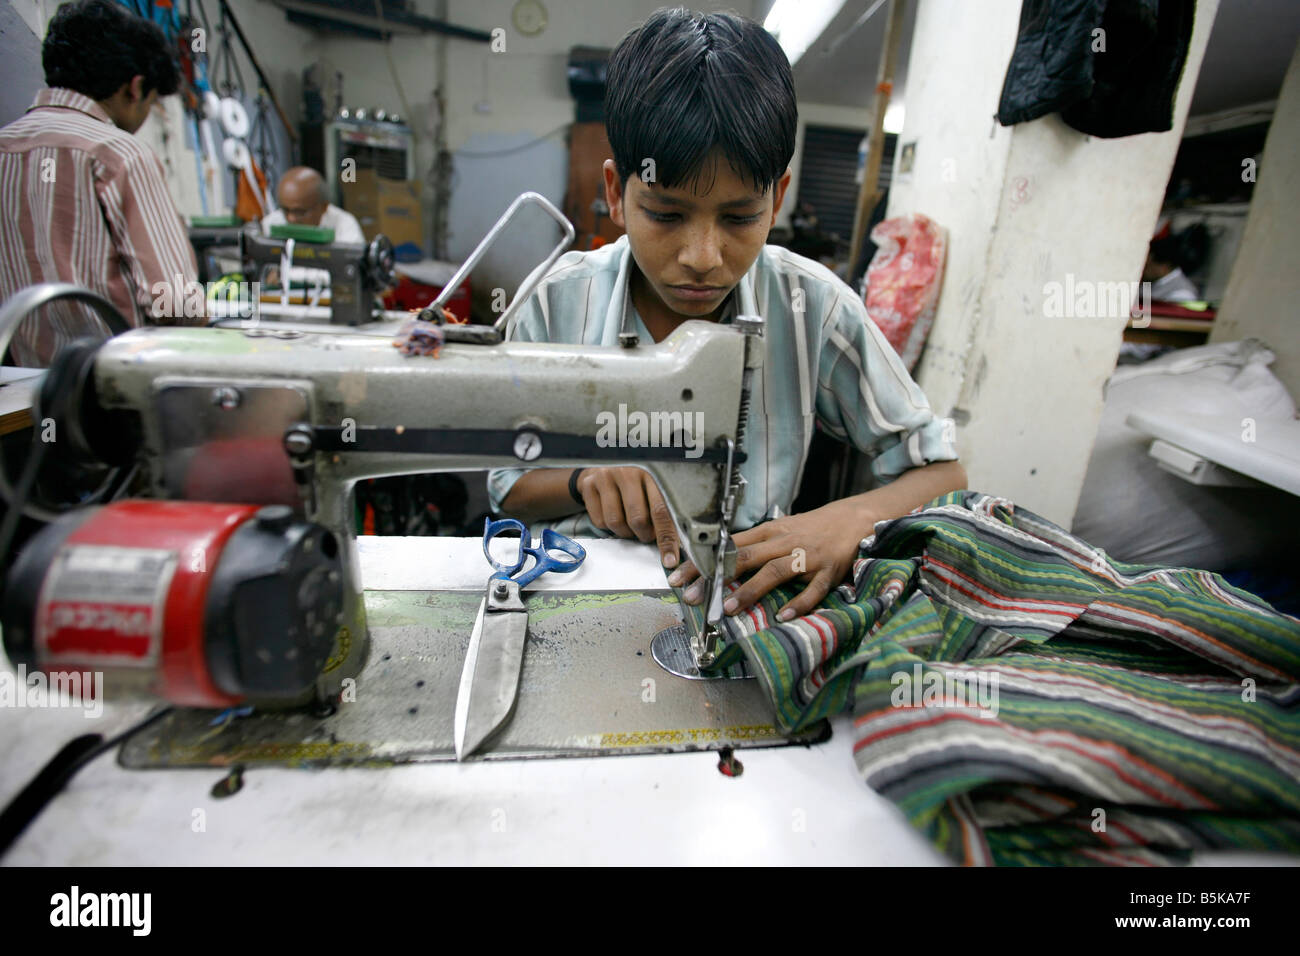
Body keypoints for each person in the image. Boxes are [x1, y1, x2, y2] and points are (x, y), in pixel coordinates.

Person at [489, 9, 965, 623]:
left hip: (743, 598)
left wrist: (847, 518)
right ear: (615, 193)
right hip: (576, 593)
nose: (703, 258)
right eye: (665, 214)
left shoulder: (813, 308)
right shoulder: (554, 303)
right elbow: (506, 484)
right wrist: (581, 479)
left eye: (740, 218)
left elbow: (943, 471)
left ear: (777, 199)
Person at [0, 0, 201, 366]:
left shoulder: (5, 147)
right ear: (135, 88)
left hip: (21, 388)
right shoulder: (120, 154)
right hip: (114, 383)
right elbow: (174, 302)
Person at [260, 166, 365, 291]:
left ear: (324, 207)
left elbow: (349, 273)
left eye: (300, 212)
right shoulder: (272, 223)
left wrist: (286, 275)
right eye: (285, 210)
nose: (291, 218)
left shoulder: (345, 225)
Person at [1142, 233, 1201, 302]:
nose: (1142, 271)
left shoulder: (1182, 294)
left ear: (1164, 266)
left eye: (1147, 266)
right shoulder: (1150, 282)